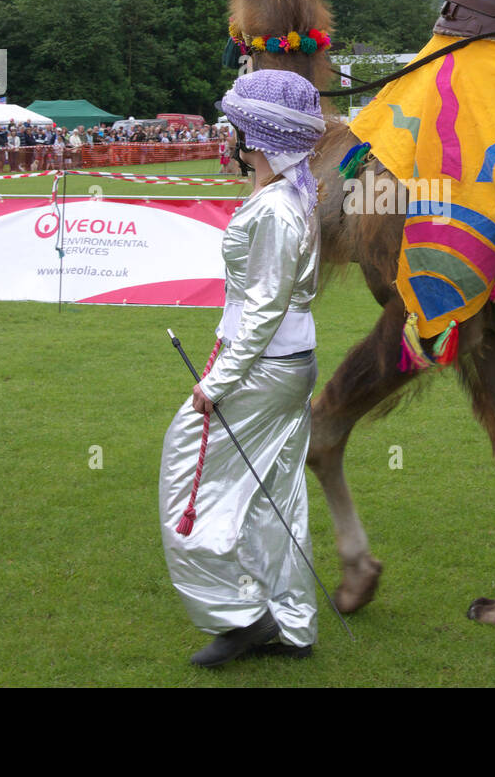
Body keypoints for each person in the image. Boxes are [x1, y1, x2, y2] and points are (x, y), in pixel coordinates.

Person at [159, 69, 325, 668]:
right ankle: (291, 623)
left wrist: (218, 381)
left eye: (237, 126)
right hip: (283, 366)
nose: (231, 135)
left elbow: (264, 304)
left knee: (187, 479)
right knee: (272, 494)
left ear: (253, 134)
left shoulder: (279, 208)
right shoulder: (289, 196)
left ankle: (241, 616)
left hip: (262, 370)